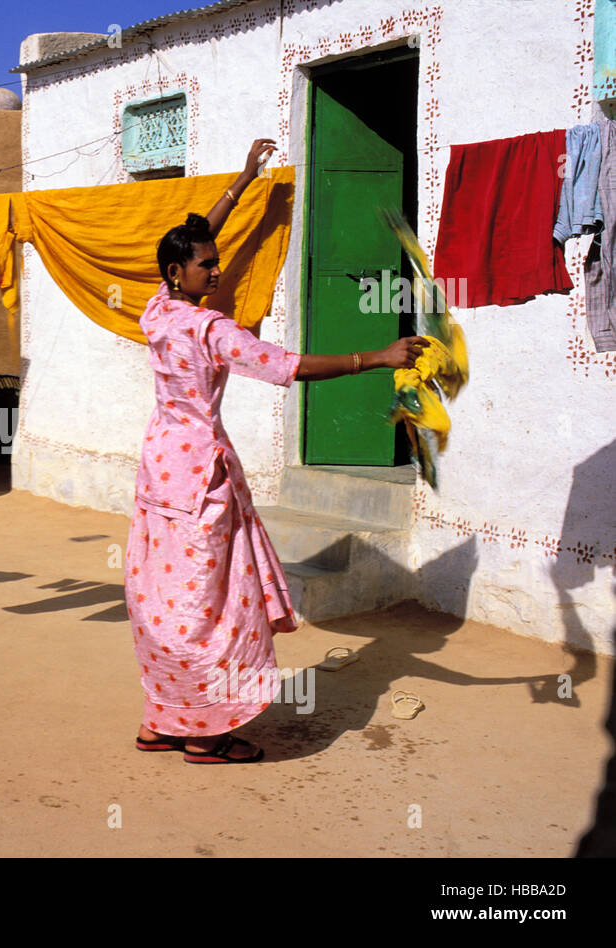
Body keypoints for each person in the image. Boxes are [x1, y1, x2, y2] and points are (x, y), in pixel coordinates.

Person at [127, 138, 428, 763]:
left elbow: (193, 236)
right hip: (201, 479)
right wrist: (377, 356)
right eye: (206, 266)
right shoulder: (212, 330)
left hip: (161, 469)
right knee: (210, 605)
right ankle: (206, 734)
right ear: (178, 275)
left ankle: (162, 717)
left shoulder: (157, 310)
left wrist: (239, 184)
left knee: (163, 596)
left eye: (215, 261)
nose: (216, 270)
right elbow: (289, 366)